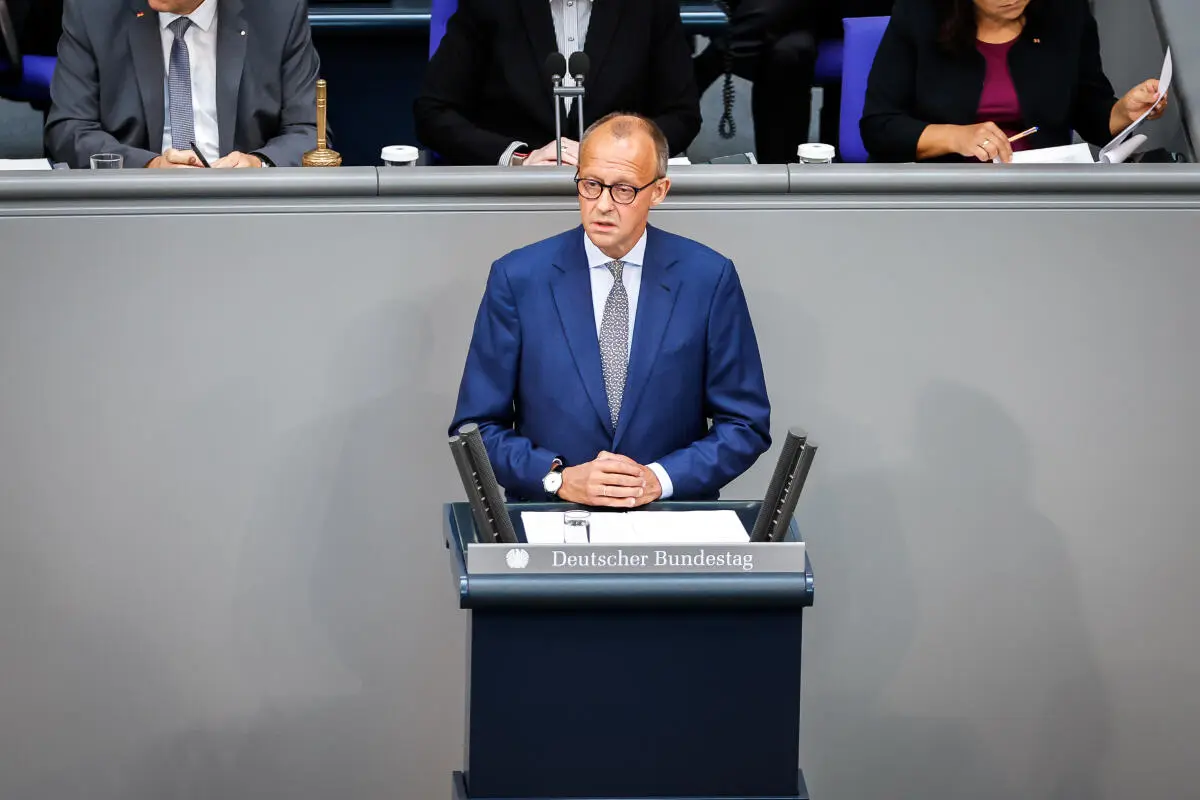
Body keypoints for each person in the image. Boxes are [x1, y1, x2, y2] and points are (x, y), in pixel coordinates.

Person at [449, 113, 771, 504]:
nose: (602, 205)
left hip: (669, 519)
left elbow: (745, 423)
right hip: (552, 517)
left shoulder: (708, 278)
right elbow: (475, 428)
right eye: (591, 185)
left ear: (659, 191)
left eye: (623, 190)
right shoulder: (518, 278)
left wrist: (659, 479)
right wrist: (558, 479)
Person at [860, 0, 1168, 163]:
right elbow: (879, 127)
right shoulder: (918, 13)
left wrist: (1122, 112)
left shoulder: (1066, 12)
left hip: (1038, 194)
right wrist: (957, 137)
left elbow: (1087, 108)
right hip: (943, 193)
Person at [414, 0, 701, 167]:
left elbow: (681, 114)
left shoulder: (649, 6)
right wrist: (520, 157)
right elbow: (433, 113)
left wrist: (617, 154)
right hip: (513, 198)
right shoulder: (489, 6)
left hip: (622, 196)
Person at [45, 0, 321, 169]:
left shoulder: (276, 11)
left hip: (244, 205)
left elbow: (308, 131)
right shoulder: (93, 10)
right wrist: (149, 166)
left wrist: (258, 163)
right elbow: (69, 128)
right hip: (134, 205)